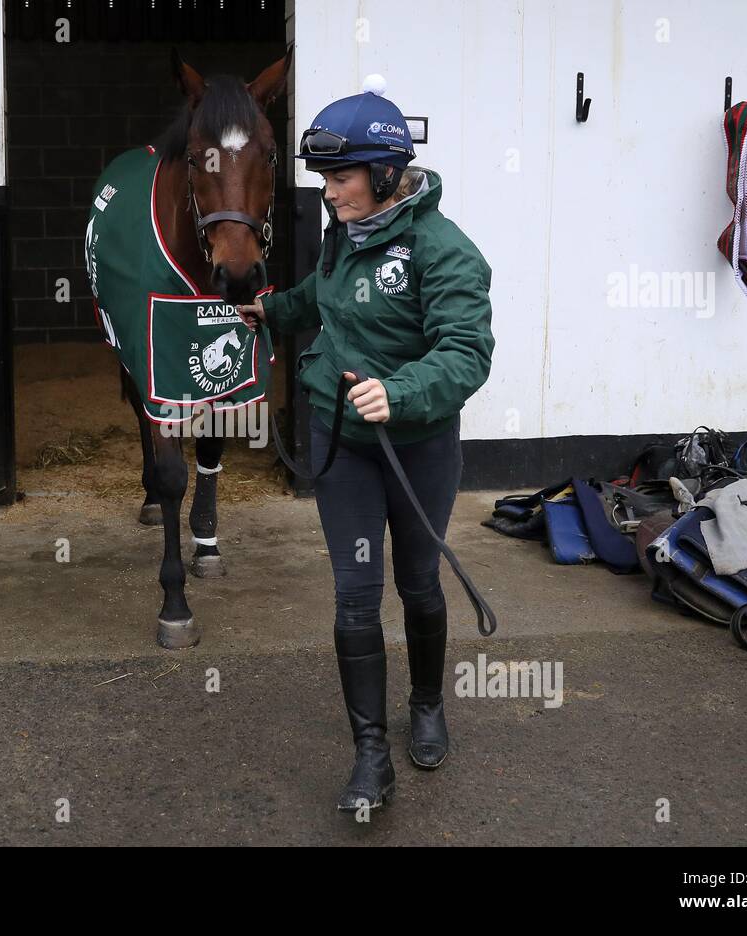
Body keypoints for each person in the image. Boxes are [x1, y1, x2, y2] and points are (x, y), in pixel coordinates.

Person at [237, 84, 494, 811]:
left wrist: (402, 391)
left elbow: (466, 351)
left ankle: (428, 703)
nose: (329, 192)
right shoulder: (342, 233)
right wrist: (272, 310)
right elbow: (326, 297)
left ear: (385, 175)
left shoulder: (445, 252)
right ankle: (371, 757)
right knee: (356, 595)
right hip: (342, 441)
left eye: (340, 177)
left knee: (417, 582)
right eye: (322, 178)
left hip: (418, 449)